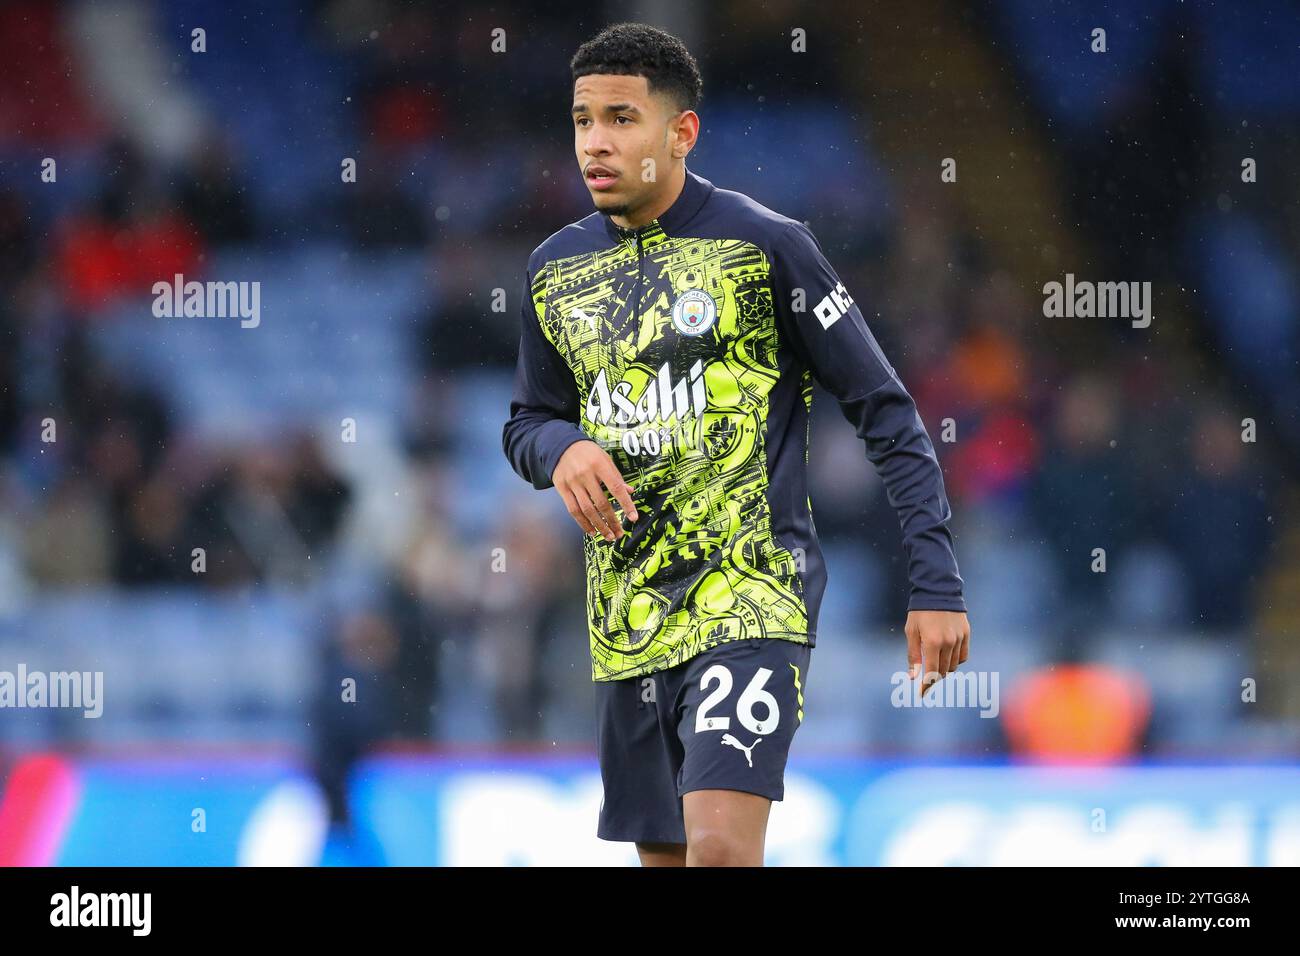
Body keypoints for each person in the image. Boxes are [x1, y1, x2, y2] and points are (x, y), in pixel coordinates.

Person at [502, 22, 971, 866]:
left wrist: (934, 582)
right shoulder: (553, 270)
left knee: (719, 848)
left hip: (752, 589)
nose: (595, 144)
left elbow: (887, 411)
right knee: (674, 860)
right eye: (582, 121)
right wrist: (561, 448)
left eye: (620, 118)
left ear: (680, 133)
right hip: (630, 613)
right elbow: (526, 420)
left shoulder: (768, 247)